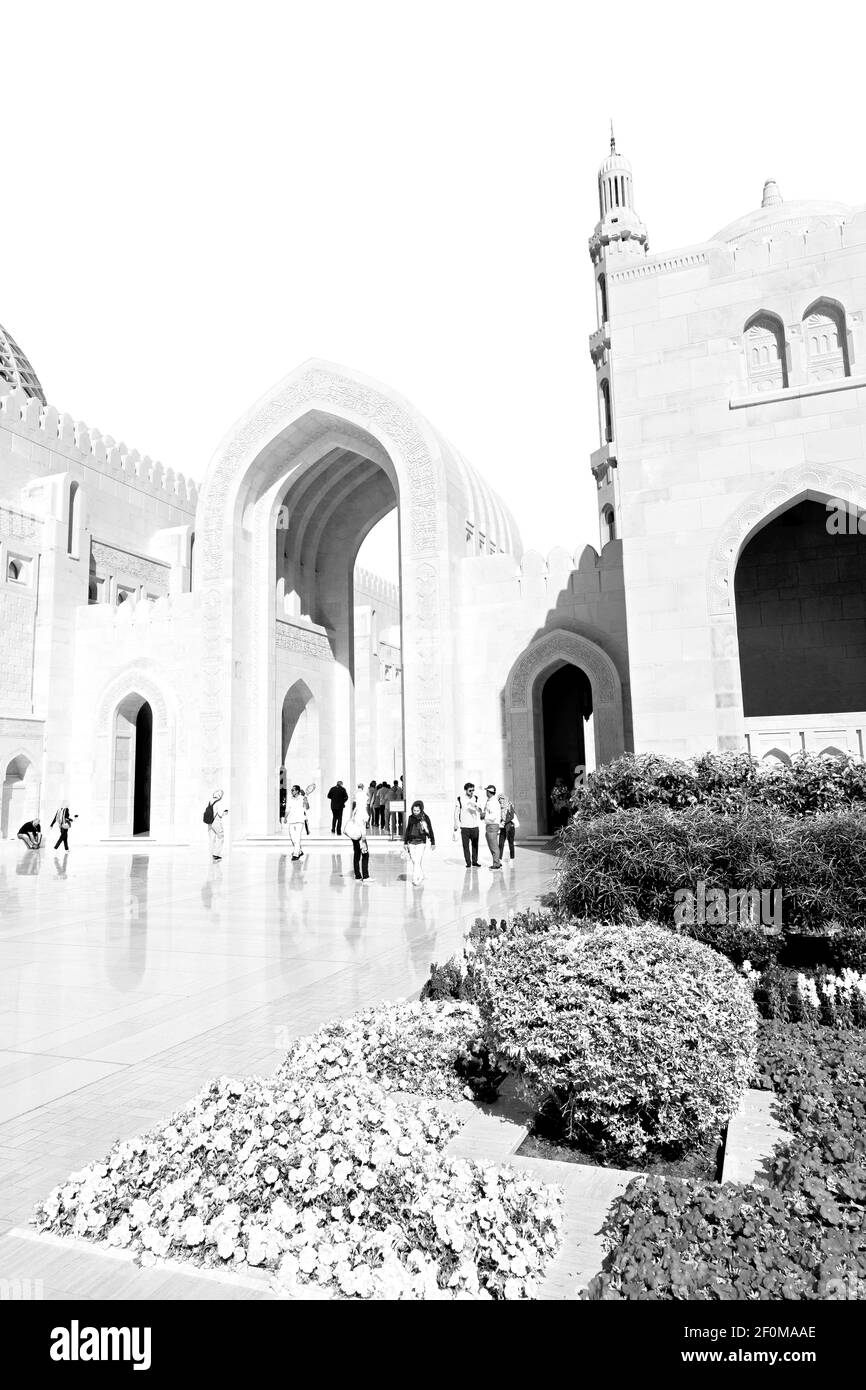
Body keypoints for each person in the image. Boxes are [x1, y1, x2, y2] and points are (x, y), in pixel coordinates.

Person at [404, 799, 435, 885]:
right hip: (411, 842)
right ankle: (421, 875)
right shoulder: (410, 818)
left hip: (421, 842)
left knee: (417, 860)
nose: (416, 812)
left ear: (421, 810)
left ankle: (415, 879)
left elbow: (430, 830)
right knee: (414, 860)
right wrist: (405, 842)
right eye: (414, 810)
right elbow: (408, 830)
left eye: (417, 810)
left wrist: (433, 842)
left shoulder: (425, 818)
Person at [453, 782, 481, 867]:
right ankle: (468, 862)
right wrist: (455, 824)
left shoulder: (475, 798)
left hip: (474, 826)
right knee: (466, 846)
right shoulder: (460, 799)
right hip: (464, 827)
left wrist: (476, 807)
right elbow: (456, 812)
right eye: (470, 790)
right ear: (466, 790)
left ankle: (475, 861)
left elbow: (480, 810)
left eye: (473, 790)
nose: (472, 792)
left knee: (475, 845)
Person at [346, 785, 371, 881]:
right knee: (365, 854)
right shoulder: (362, 810)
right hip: (360, 835)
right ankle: (366, 876)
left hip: (354, 835)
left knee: (357, 854)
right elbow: (362, 825)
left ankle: (357, 875)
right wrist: (364, 837)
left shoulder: (355, 809)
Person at [481, 784, 502, 868]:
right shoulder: (491, 801)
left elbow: (493, 816)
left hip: (492, 825)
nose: (486, 793)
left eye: (486, 791)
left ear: (489, 792)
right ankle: (497, 862)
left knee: (493, 846)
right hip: (491, 825)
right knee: (493, 845)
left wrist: (484, 816)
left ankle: (496, 864)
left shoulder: (492, 802)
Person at [286, 784, 309, 860]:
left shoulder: (303, 798)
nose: (291, 791)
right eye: (291, 790)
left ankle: (296, 854)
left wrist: (306, 801)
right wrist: (285, 817)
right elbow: (288, 809)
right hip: (291, 820)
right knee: (293, 838)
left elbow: (307, 807)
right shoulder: (290, 799)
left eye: (293, 790)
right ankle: (300, 851)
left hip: (299, 821)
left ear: (297, 791)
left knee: (297, 837)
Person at [204, 790, 228, 860]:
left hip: (209, 822)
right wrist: (225, 813)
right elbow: (220, 814)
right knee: (221, 837)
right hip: (216, 822)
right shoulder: (219, 802)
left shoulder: (210, 801)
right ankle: (216, 854)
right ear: (220, 796)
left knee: (212, 839)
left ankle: (211, 854)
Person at [497, 794, 519, 861]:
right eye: (499, 799)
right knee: (501, 843)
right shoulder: (499, 807)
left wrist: (504, 821)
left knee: (511, 843)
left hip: (510, 827)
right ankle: (499, 858)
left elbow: (512, 816)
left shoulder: (509, 805)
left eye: (502, 798)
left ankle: (512, 858)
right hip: (503, 827)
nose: (500, 800)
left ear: (505, 799)